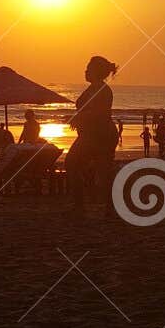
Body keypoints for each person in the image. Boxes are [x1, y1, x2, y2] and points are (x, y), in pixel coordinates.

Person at [68, 55, 119, 219]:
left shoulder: (102, 90)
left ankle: (82, 206)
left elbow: (100, 113)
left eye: (88, 68)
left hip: (99, 135)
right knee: (96, 169)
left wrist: (80, 118)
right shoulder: (95, 88)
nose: (85, 71)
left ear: (96, 71)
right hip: (92, 134)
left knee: (79, 165)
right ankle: (85, 205)